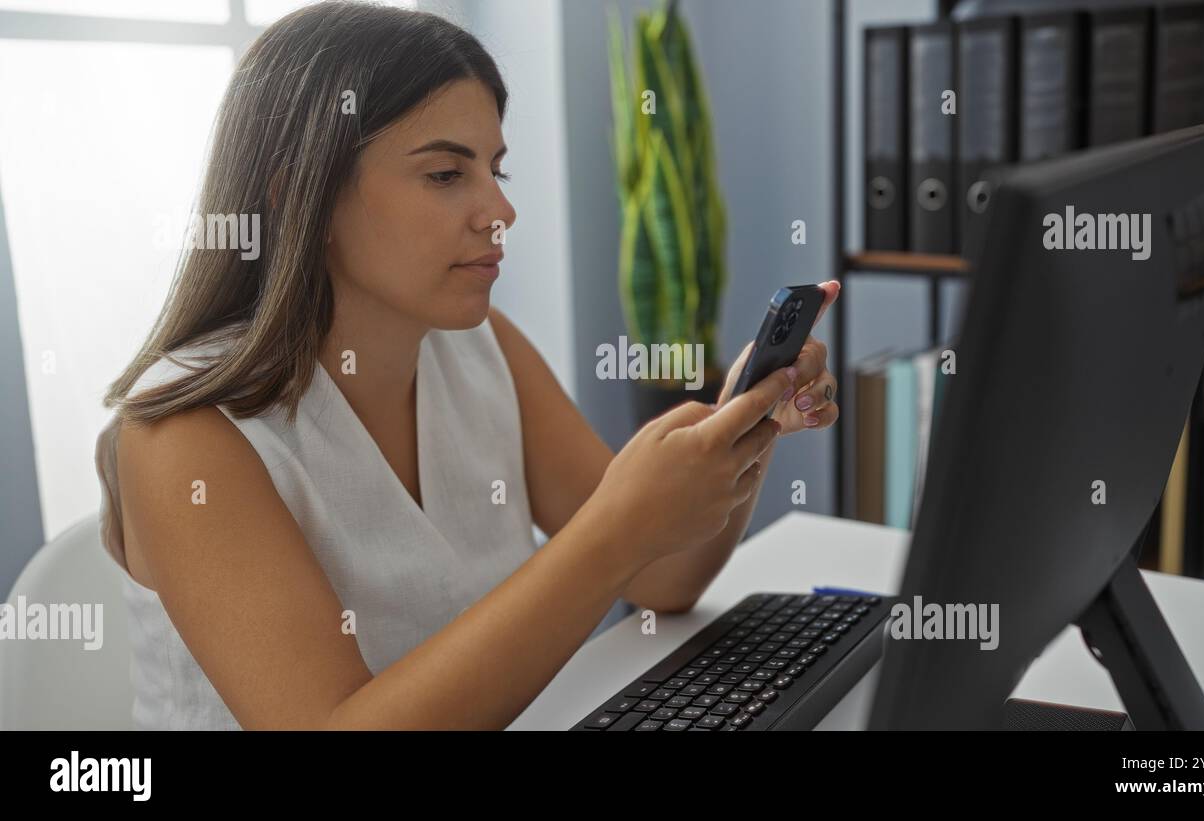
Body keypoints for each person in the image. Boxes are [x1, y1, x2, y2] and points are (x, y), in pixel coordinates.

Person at [93, 1, 841, 730]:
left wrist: (748, 419)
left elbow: (662, 576)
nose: (500, 211)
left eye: (496, 170)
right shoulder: (183, 436)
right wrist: (614, 529)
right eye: (446, 175)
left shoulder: (479, 350)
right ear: (300, 196)